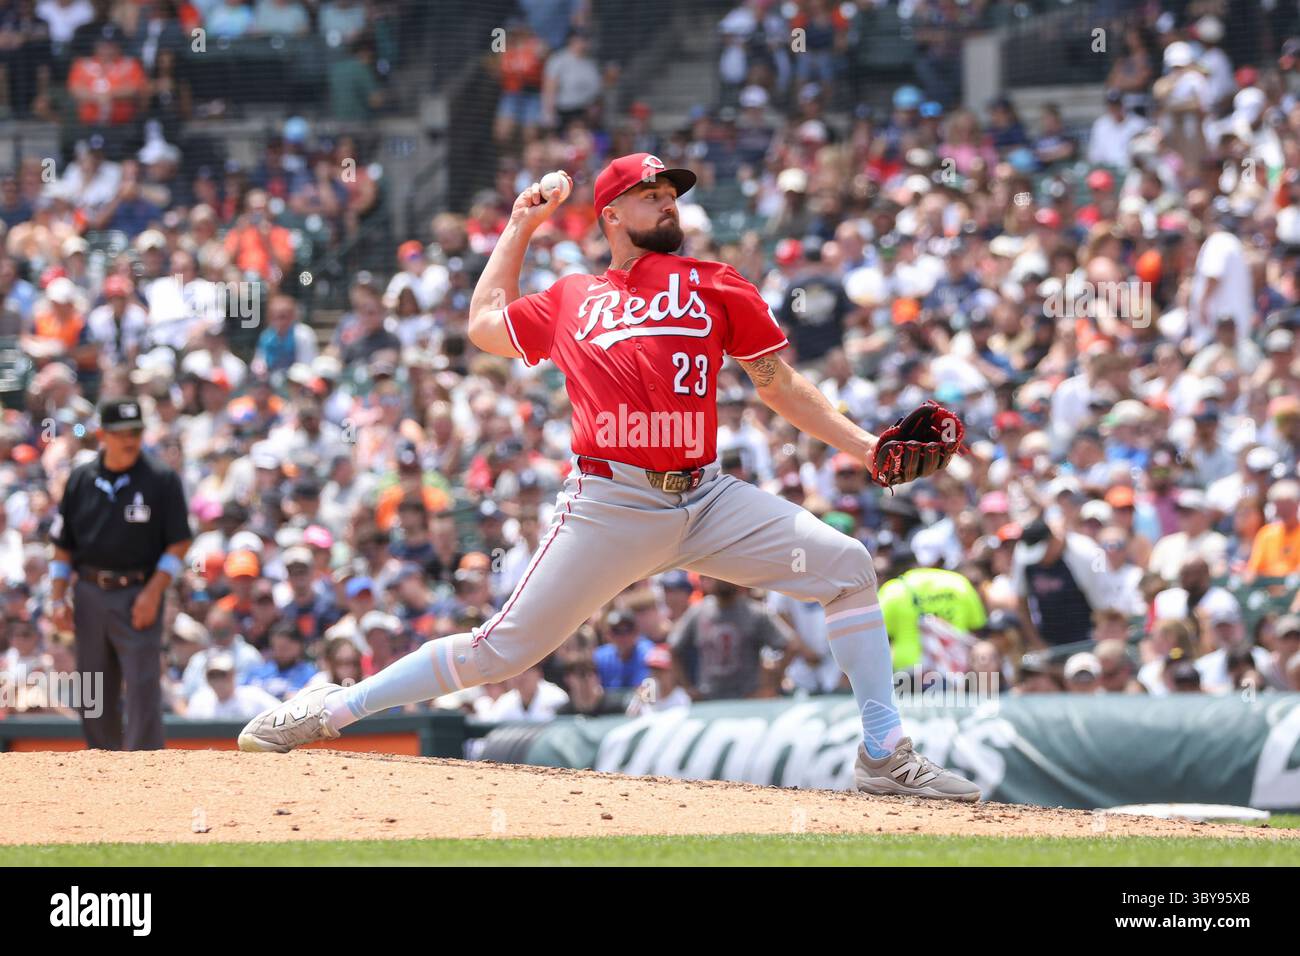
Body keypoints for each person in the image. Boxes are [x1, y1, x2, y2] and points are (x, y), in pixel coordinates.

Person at [238, 152, 981, 801]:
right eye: (652, 192)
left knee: (849, 564)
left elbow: (778, 384)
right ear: (612, 212)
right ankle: (329, 710)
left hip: (709, 496)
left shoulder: (714, 282)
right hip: (611, 503)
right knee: (500, 651)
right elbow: (484, 322)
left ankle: (884, 754)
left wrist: (865, 448)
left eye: (671, 192)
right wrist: (521, 226)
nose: (668, 201)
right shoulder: (572, 297)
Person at [48, 396, 192, 749]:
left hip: (138, 591)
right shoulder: (81, 478)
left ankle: (143, 770)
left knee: (142, 684)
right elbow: (63, 545)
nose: (130, 439)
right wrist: (56, 598)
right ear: (101, 434)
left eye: (136, 431)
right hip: (89, 591)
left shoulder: (160, 478)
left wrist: (154, 592)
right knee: (93, 686)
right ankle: (102, 762)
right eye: (121, 432)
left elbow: (179, 543)